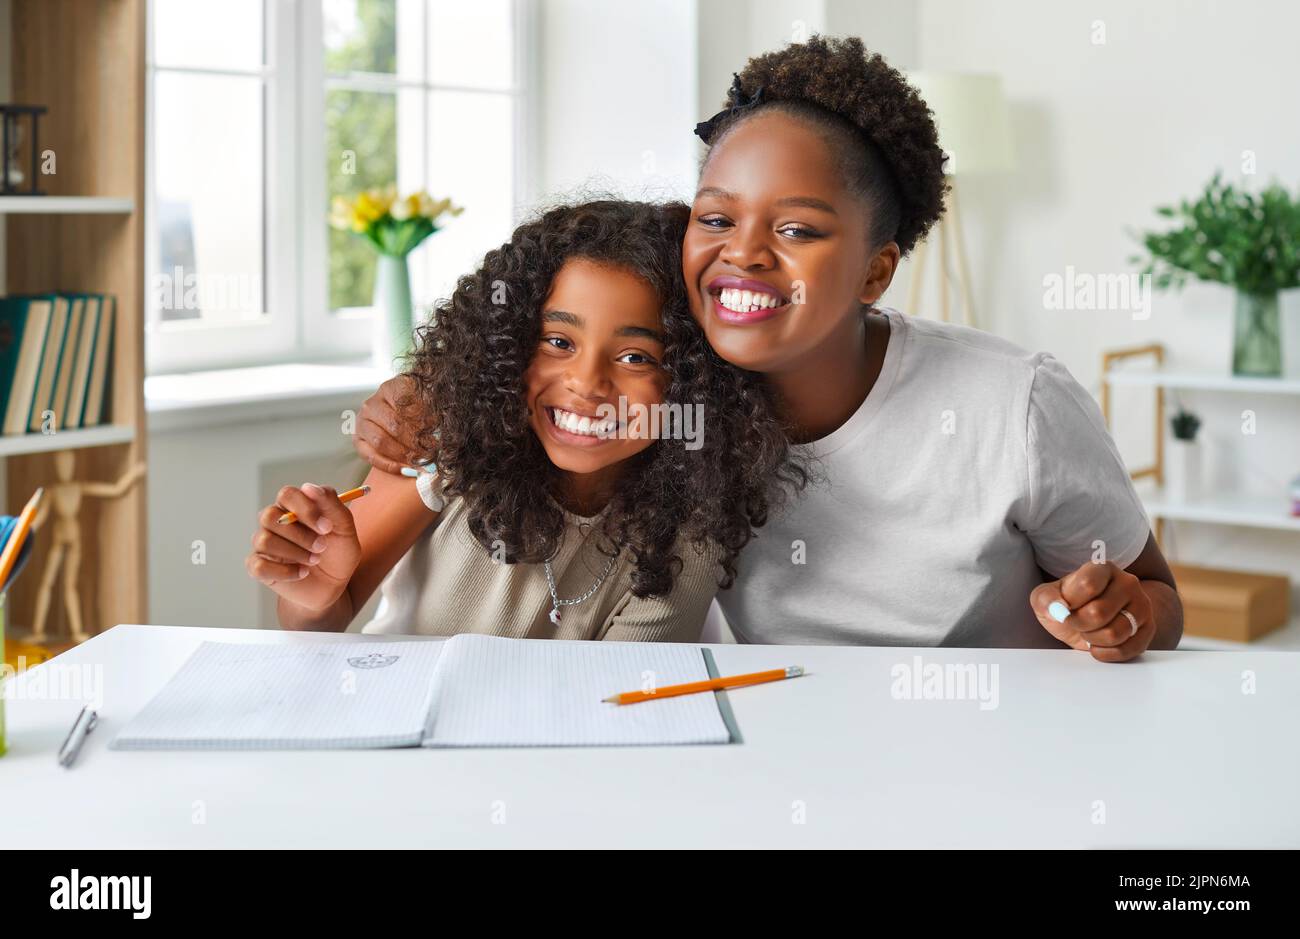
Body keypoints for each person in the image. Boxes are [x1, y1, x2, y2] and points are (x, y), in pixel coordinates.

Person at [353, 37, 1182, 661]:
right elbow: (556, 357)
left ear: (875, 270)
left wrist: (1126, 614)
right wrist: (423, 390)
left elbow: (1160, 597)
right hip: (782, 752)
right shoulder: (673, 391)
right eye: (716, 218)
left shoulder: (1016, 406)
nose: (743, 253)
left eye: (796, 230)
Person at [247, 200, 801, 640]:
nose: (587, 384)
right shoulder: (439, 445)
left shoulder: (694, 526)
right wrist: (313, 592)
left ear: (695, 380)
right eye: (558, 341)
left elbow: (622, 704)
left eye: (636, 358)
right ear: (507, 346)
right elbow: (317, 623)